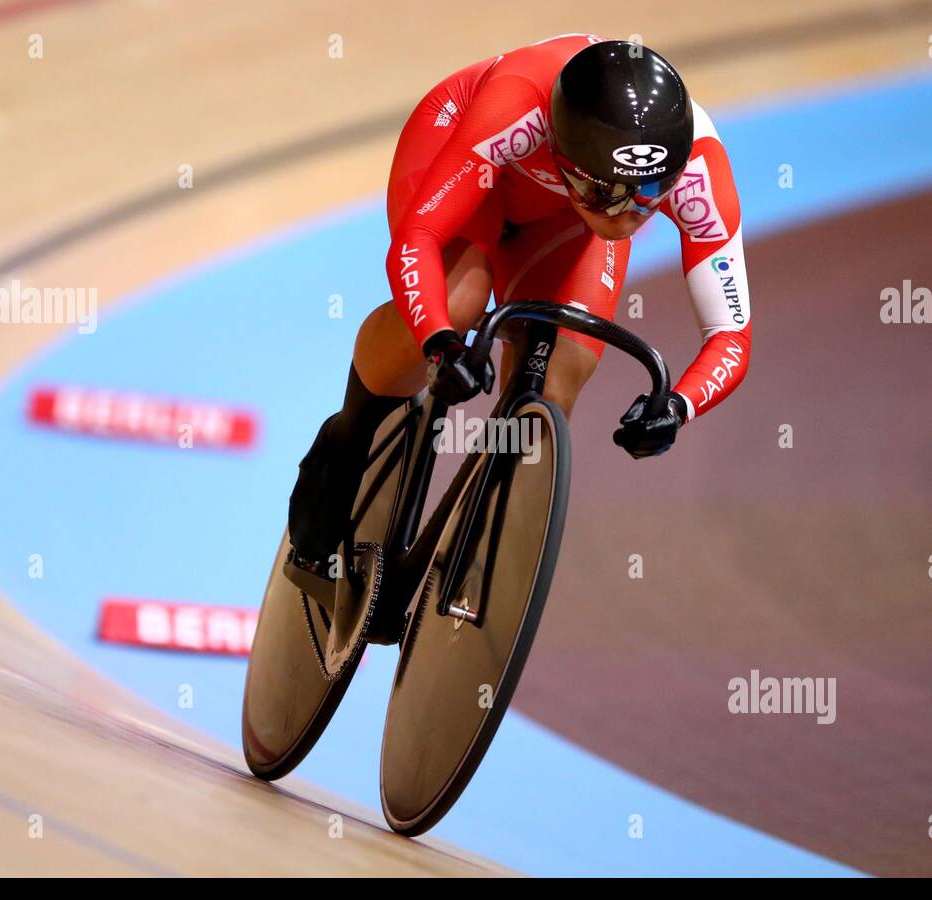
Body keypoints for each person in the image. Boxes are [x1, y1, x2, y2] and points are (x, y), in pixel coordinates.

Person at [289, 35, 752, 563]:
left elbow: (731, 336)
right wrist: (440, 342)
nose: (626, 218)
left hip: (561, 218)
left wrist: (678, 405)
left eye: (648, 197)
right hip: (464, 151)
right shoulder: (517, 106)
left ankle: (476, 541)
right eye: (605, 193)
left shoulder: (697, 169)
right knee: (461, 300)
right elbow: (417, 240)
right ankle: (346, 440)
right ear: (560, 149)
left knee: (562, 373)